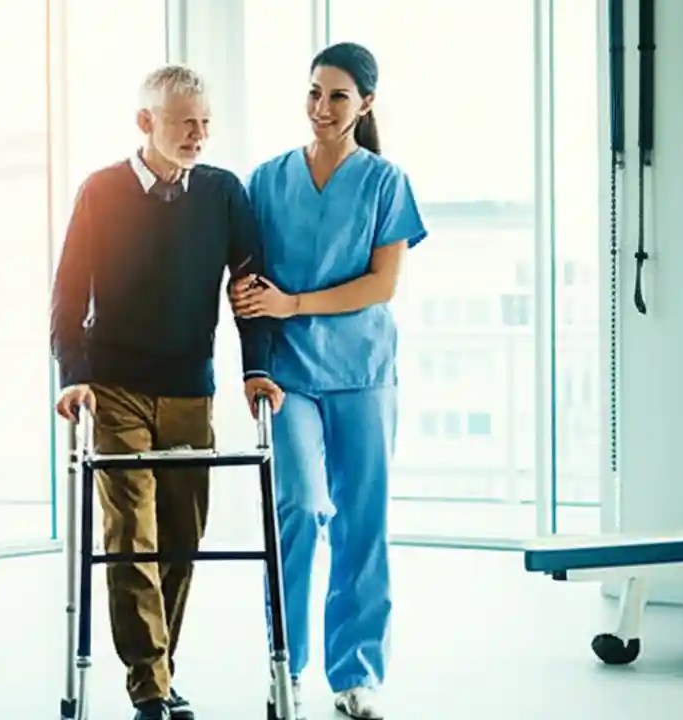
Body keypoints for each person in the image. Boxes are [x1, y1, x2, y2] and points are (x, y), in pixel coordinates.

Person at [51, 64, 285, 720]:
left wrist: (255, 369)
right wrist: (73, 375)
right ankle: (149, 688)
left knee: (181, 538)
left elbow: (251, 289)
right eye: (186, 122)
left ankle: (158, 667)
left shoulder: (223, 194)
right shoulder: (99, 191)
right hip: (115, 387)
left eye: (206, 123)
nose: (198, 135)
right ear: (145, 122)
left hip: (189, 390)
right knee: (133, 537)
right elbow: (68, 295)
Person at [230, 42, 427, 720]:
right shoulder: (267, 179)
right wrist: (259, 309)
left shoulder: (385, 181)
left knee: (362, 523)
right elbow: (245, 272)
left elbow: (382, 283)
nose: (321, 107)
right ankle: (287, 666)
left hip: (363, 372)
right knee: (299, 511)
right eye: (314, 92)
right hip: (288, 376)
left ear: (365, 103)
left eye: (338, 95)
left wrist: (294, 304)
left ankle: (357, 675)